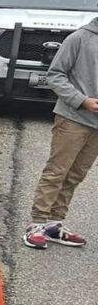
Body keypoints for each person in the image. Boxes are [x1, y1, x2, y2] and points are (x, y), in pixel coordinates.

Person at [25, 14, 98, 249]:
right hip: (73, 117)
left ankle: (54, 224)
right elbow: (55, 74)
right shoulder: (79, 38)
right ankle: (36, 224)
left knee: (76, 175)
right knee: (57, 171)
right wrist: (81, 100)